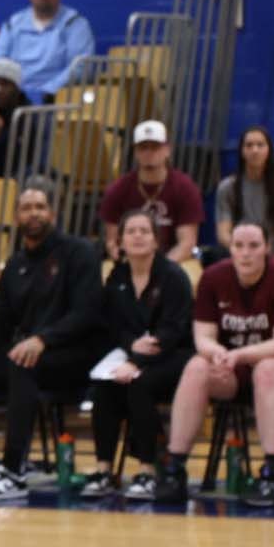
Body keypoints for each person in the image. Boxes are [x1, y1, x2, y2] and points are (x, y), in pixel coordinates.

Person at [0, 178, 105, 498]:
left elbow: (87, 313)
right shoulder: (15, 265)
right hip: (28, 354)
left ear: (53, 214)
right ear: (17, 217)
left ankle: (13, 470)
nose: (34, 214)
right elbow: (0, 325)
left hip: (74, 355)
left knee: (22, 364)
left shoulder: (79, 253)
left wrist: (42, 339)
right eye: (26, 208)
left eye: (40, 207)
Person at [153, 223, 274, 507]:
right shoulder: (212, 278)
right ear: (230, 249)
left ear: (267, 248)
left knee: (267, 369)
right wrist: (217, 353)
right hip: (237, 361)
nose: (246, 253)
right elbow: (203, 337)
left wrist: (239, 356)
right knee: (197, 366)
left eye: (254, 246)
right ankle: (174, 469)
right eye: (239, 246)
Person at [81, 210, 193, 500]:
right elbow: (111, 325)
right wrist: (131, 346)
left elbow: (176, 329)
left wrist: (136, 360)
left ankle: (147, 470)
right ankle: (104, 469)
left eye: (145, 231)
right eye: (131, 231)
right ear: (120, 241)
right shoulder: (117, 277)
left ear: (156, 240)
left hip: (175, 355)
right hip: (132, 354)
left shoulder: (174, 276)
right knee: (105, 385)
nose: (138, 236)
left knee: (139, 384)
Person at [98, 119, 203, 262]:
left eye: (155, 147)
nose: (149, 153)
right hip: (130, 262)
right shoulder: (118, 189)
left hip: (175, 262)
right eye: (143, 148)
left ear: (167, 150)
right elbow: (113, 242)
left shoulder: (185, 187)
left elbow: (186, 243)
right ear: (135, 152)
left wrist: (160, 269)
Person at [0, 0, 95, 103]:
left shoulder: (75, 24)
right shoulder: (12, 24)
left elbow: (82, 68)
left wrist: (48, 91)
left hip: (57, 98)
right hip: (12, 97)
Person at [216, 126, 274, 264]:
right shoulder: (227, 187)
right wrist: (246, 254)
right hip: (239, 260)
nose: (255, 150)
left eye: (260, 145)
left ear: (269, 150)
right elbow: (223, 234)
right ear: (241, 151)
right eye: (249, 145)